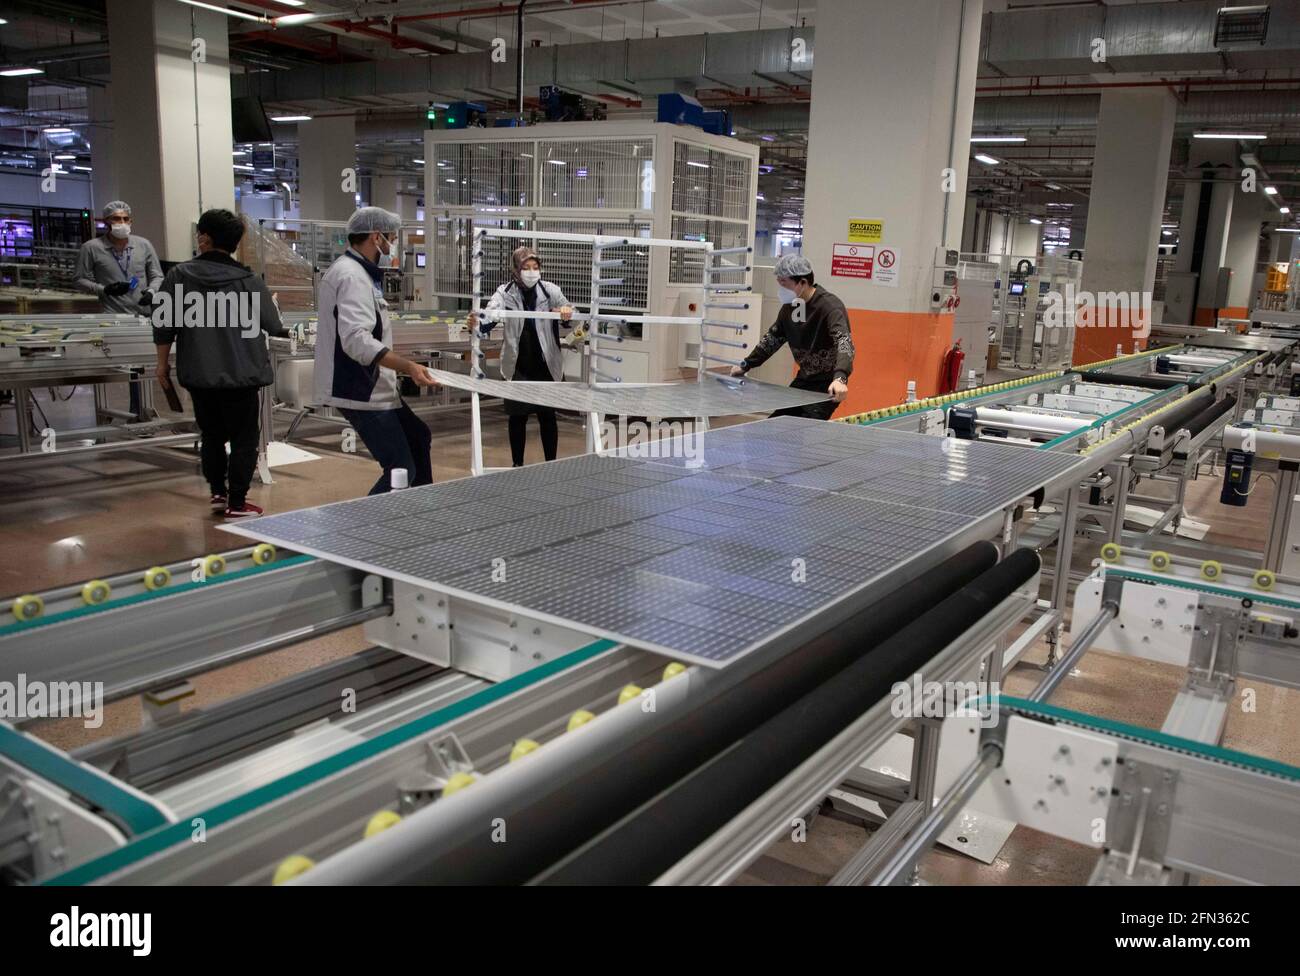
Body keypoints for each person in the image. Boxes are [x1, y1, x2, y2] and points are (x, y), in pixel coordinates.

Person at [152, 209, 286, 518]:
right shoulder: (250, 281)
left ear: (204, 238)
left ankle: (217, 492)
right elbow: (272, 323)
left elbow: (163, 325)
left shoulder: (177, 277)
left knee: (210, 435)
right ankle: (237, 502)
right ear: (235, 244)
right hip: (242, 376)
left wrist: (162, 366)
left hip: (200, 376)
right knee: (244, 439)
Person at [315, 207, 439, 495]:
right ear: (376, 237)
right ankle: (367, 529)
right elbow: (356, 339)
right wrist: (407, 366)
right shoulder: (351, 276)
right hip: (358, 388)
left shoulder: (364, 274)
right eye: (391, 238)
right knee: (400, 466)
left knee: (419, 437)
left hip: (376, 386)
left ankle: (423, 513)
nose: (392, 244)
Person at [468, 246, 575, 466]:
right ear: (516, 270)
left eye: (535, 267)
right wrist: (477, 322)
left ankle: (551, 464)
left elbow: (569, 314)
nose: (532, 272)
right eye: (526, 267)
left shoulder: (550, 290)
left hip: (546, 364)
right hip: (518, 365)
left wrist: (565, 312)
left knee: (547, 416)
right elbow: (490, 316)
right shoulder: (504, 292)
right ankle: (517, 465)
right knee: (517, 417)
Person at [730, 253, 854, 420]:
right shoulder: (790, 308)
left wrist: (840, 378)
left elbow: (844, 343)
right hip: (803, 380)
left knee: (803, 428)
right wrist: (746, 364)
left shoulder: (830, 307)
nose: (780, 289)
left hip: (827, 384)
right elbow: (772, 340)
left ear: (802, 282)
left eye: (784, 284)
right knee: (776, 423)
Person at [76, 200, 164, 420]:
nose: (121, 223)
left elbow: (157, 275)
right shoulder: (92, 248)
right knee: (118, 368)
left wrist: (152, 293)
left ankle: (140, 411)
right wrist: (103, 289)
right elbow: (79, 279)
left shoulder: (143, 245)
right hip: (112, 318)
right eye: (116, 219)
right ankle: (107, 412)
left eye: (125, 219)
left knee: (141, 367)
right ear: (106, 221)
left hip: (142, 316)